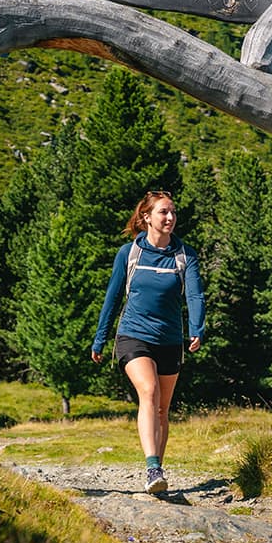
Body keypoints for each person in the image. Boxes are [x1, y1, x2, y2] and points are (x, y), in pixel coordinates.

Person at [90, 190, 205, 494]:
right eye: (163, 212)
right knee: (149, 391)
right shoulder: (129, 253)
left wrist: (196, 328)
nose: (170, 217)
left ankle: (157, 474)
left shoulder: (185, 255)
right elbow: (113, 297)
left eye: (173, 212)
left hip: (170, 340)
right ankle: (152, 466)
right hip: (133, 335)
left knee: (162, 409)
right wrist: (100, 339)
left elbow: (195, 294)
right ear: (146, 217)